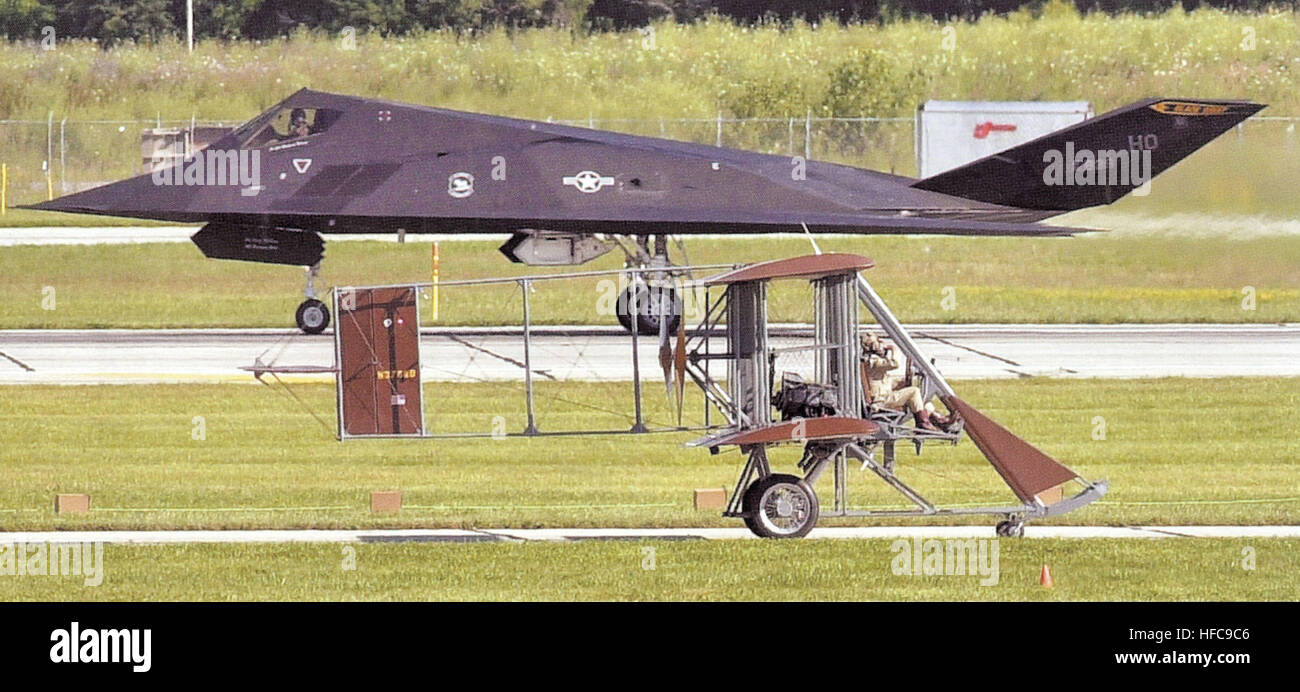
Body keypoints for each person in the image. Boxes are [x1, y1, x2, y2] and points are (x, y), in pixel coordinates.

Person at [859, 332, 957, 432]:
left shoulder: (872, 362)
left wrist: (900, 382)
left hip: (883, 397)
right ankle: (923, 424)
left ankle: (940, 421)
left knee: (920, 400)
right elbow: (895, 363)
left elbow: (881, 381)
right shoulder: (872, 361)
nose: (881, 345)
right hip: (880, 401)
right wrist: (893, 349)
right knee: (914, 392)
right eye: (878, 343)